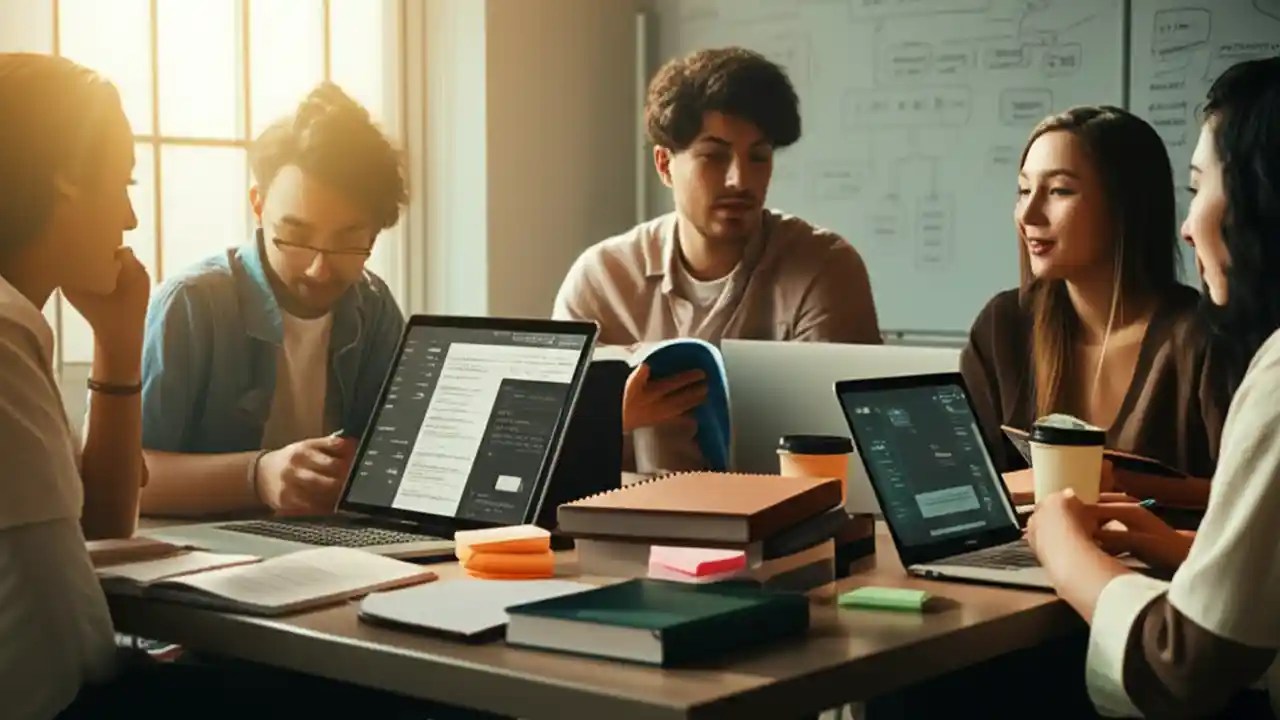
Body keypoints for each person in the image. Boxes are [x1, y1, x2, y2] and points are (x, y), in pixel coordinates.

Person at [1028, 56, 1280, 719]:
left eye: (1201, 188)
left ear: (1259, 198)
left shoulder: (1272, 370)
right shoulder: (1007, 321)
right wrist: (1170, 543)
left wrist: (1061, 542)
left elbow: (1182, 664)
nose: (1188, 223)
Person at [553, 46, 881, 473]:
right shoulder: (601, 281)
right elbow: (540, 448)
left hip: (779, 526)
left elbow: (848, 448)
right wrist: (610, 417)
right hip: (623, 526)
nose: (739, 180)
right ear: (665, 165)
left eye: (759, 157)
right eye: (714, 156)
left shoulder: (823, 269)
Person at [139, 83, 406, 518]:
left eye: (349, 242)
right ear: (258, 205)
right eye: (296, 237)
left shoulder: (373, 309)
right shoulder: (192, 304)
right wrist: (258, 476)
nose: (319, 269)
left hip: (338, 550)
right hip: (208, 558)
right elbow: (130, 478)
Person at [960, 105, 1228, 508]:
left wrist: (1118, 480)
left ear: (1125, 205)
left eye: (1059, 191)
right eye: (1024, 190)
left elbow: (1249, 501)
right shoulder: (1004, 326)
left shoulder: (1201, 337)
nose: (1029, 215)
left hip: (1158, 567)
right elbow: (963, 486)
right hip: (1018, 562)